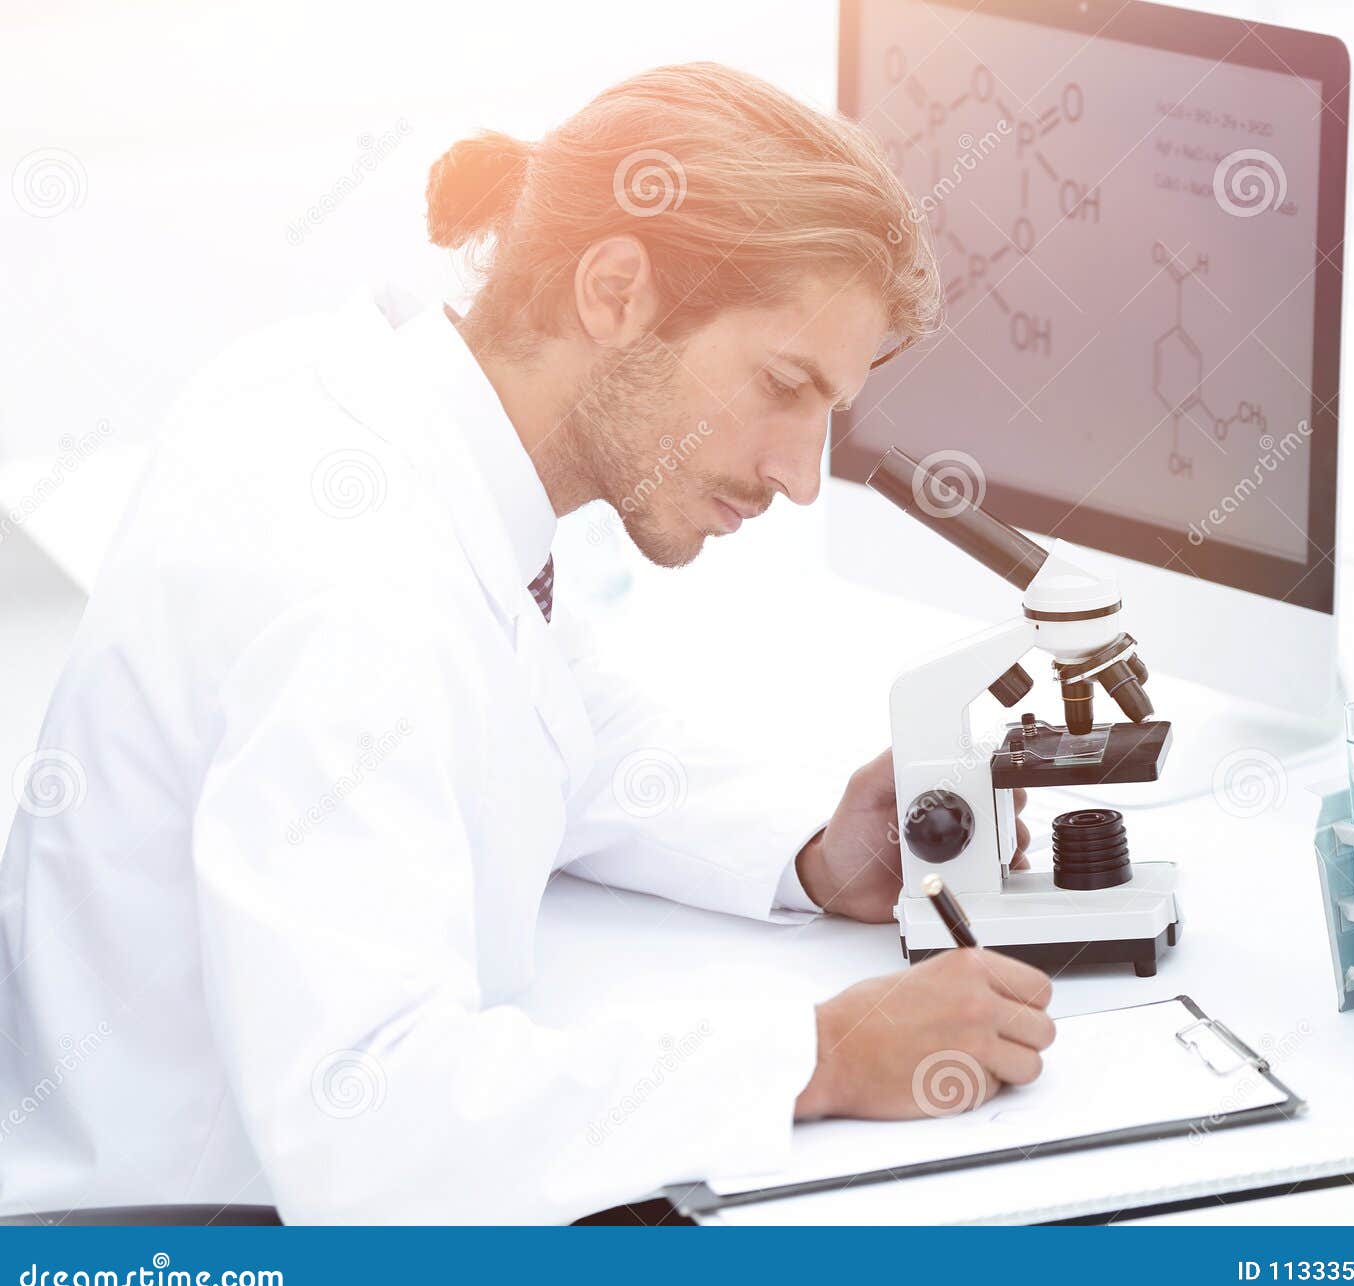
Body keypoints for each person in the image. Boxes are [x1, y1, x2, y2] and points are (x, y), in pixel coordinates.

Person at [0, 63, 1050, 1224]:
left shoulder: (347, 399)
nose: (799, 475)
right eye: (781, 384)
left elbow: (523, 705)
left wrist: (805, 848)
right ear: (613, 289)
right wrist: (814, 1057)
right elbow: (370, 1128)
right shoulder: (358, 595)